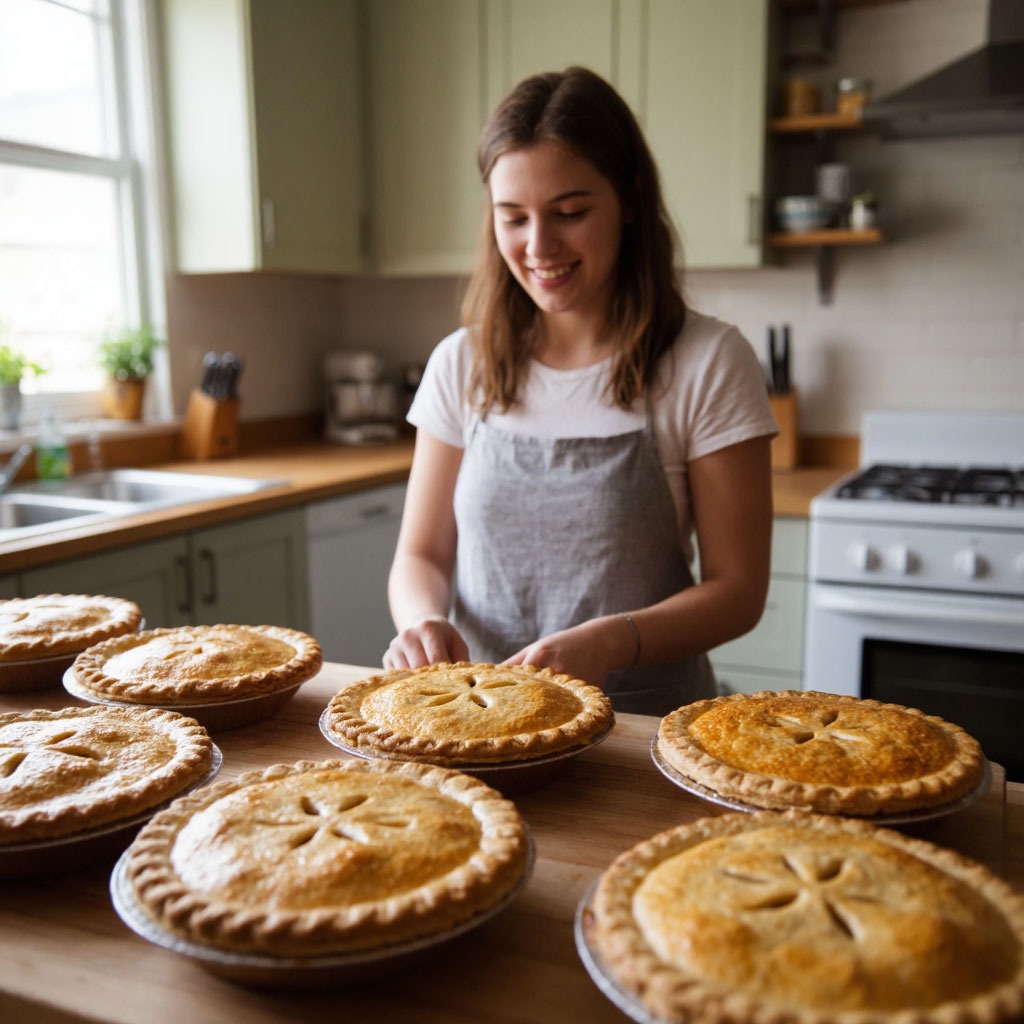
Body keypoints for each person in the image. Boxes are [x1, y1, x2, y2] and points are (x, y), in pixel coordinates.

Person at [383, 66, 777, 715]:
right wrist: (420, 621)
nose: (539, 246)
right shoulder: (462, 364)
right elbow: (420, 554)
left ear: (628, 202)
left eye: (569, 212)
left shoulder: (708, 362)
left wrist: (613, 642)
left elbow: (737, 590)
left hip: (642, 732)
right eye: (513, 218)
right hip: (480, 723)